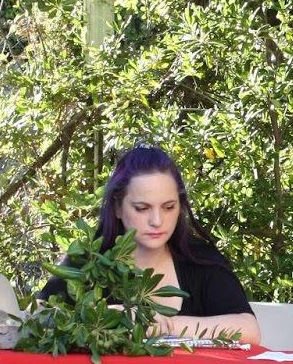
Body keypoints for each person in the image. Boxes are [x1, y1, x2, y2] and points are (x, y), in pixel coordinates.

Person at [38, 145, 261, 345]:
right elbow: (38, 315)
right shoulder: (89, 261)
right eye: (142, 208)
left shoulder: (200, 260)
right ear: (117, 207)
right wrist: (111, 316)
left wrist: (166, 326)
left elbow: (249, 329)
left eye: (168, 207)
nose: (157, 221)